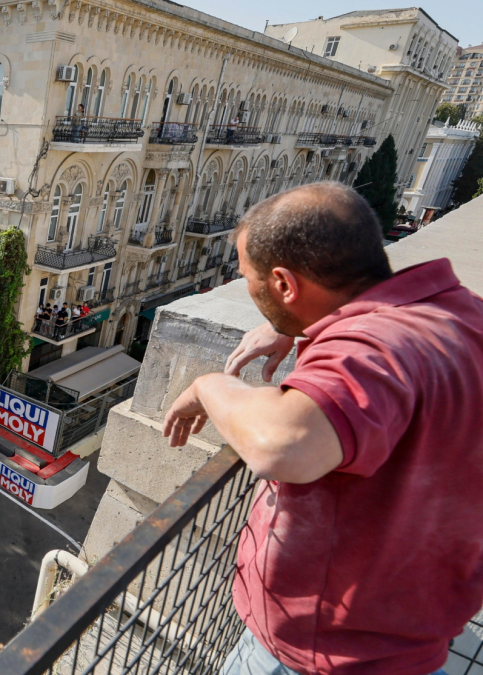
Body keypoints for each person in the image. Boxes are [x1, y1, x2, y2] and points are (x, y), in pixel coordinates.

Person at [162, 182, 483, 675]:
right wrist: (301, 322)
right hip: (414, 637)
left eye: (250, 279)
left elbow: (283, 445)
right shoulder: (462, 316)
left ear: (285, 285)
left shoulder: (374, 350)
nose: (248, 289)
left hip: (326, 654)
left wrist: (209, 387)